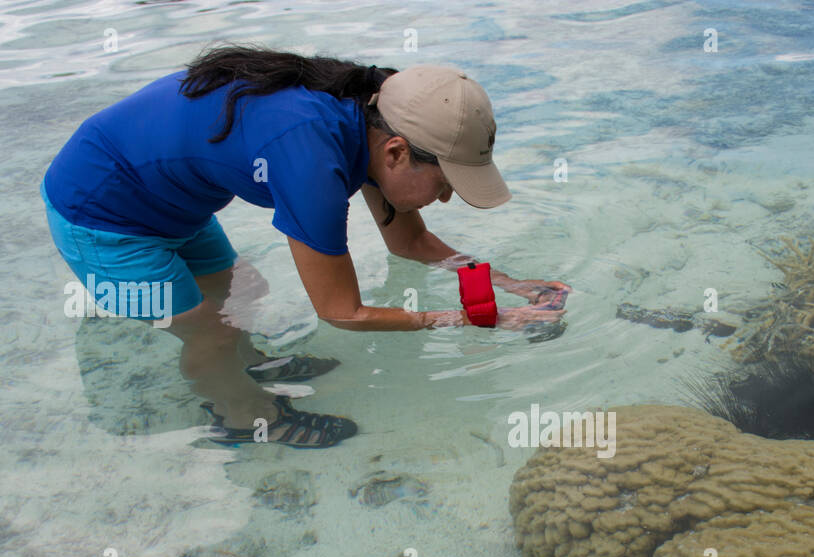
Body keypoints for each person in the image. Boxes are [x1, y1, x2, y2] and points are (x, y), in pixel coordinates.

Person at [41, 45, 570, 448]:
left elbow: (408, 240)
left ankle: (255, 368)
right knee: (207, 331)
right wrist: (475, 320)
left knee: (240, 292)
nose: (449, 198)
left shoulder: (373, 109)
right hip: (99, 215)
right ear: (396, 152)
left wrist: (503, 282)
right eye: (446, 182)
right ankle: (248, 419)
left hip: (168, 200)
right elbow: (344, 312)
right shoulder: (310, 160)